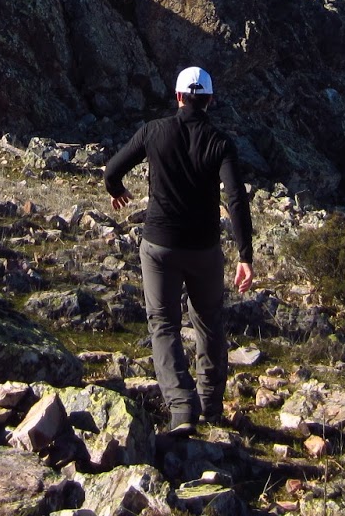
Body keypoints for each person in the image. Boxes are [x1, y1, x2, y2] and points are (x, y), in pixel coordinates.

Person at [104, 66, 255, 436]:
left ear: (177, 97)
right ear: (210, 100)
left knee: (164, 325)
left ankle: (181, 407)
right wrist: (245, 255)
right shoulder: (220, 141)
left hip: (159, 246)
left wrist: (116, 190)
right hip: (204, 248)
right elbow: (236, 198)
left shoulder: (153, 131)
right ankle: (211, 403)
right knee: (209, 322)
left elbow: (112, 170)